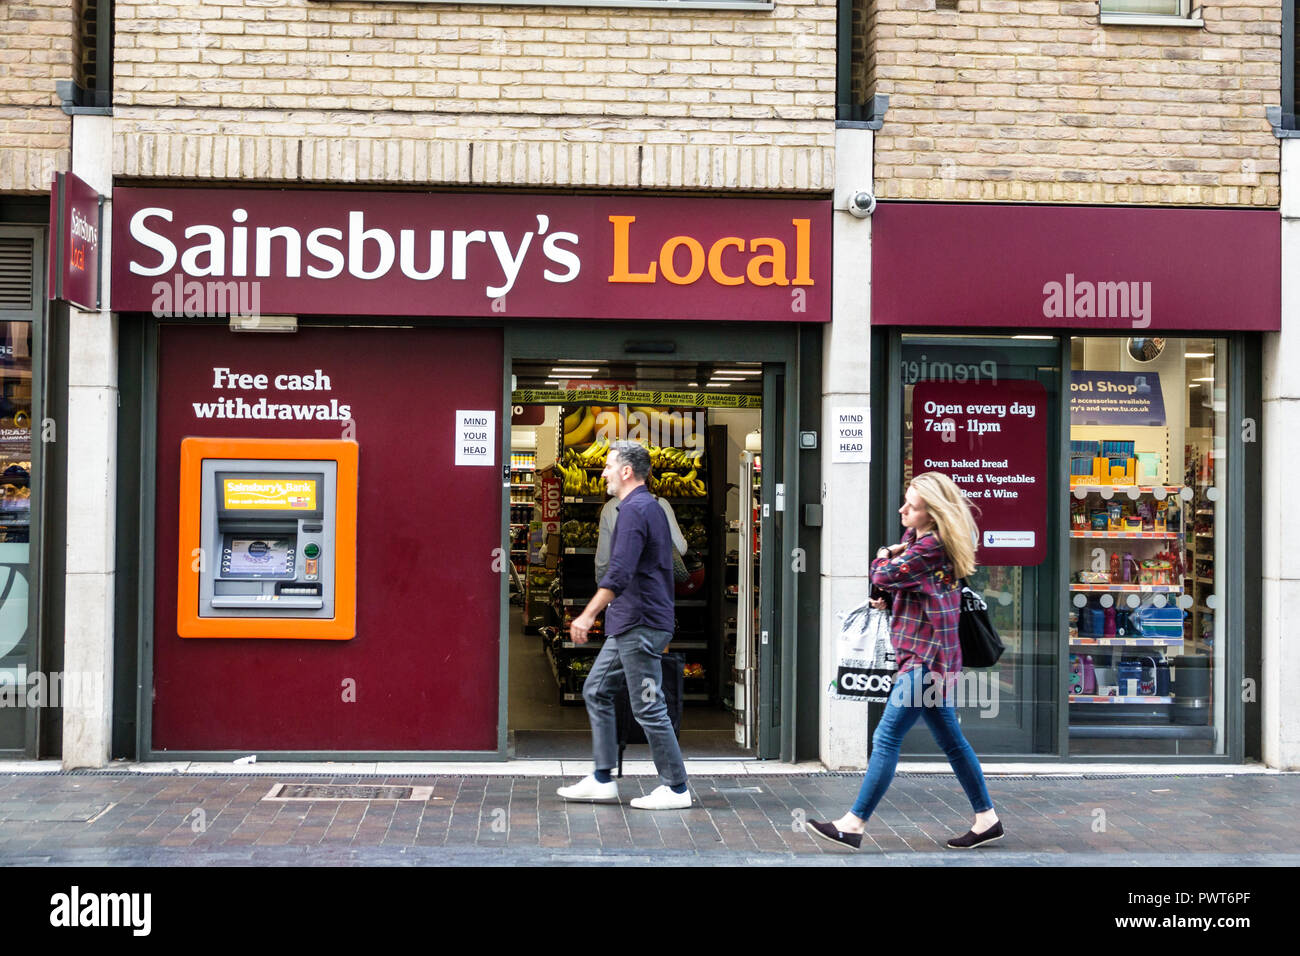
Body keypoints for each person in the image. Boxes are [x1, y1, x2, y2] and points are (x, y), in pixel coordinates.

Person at [806, 471, 1003, 850]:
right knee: (953, 743)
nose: (902, 509)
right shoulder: (923, 542)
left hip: (925, 662)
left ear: (931, 513)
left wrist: (884, 555)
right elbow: (913, 590)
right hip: (934, 658)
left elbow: (882, 572)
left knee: (886, 736)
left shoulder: (930, 549)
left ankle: (853, 824)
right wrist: (891, 596)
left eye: (911, 507)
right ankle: (987, 818)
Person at [557, 441, 691, 810]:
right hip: (632, 623)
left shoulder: (634, 510)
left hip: (641, 624)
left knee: (649, 705)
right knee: (597, 691)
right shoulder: (649, 507)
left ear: (627, 471)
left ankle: (676, 787)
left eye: (608, 467)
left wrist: (588, 614)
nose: (603, 473)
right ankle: (602, 779)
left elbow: (619, 571)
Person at [593, 492, 686, 584]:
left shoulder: (609, 508)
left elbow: (603, 561)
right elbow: (681, 548)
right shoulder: (661, 503)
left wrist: (601, 584)